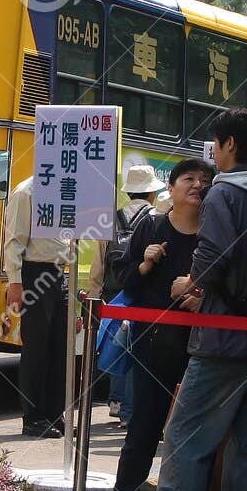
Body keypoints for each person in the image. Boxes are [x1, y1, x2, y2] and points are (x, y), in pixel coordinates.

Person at [134, 109, 247, 491]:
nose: (214, 154)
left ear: (228, 146)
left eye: (216, 145)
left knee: (186, 434)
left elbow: (213, 252)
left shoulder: (224, 192)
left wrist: (190, 284)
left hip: (222, 334)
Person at [95, 158, 213, 491]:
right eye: (188, 179)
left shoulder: (215, 233)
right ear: (172, 188)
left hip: (202, 350)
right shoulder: (152, 225)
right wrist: (146, 264)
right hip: (153, 344)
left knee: (191, 437)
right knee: (143, 428)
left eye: (204, 180)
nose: (197, 185)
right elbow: (123, 282)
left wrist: (204, 298)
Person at [93, 163, 167, 425]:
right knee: (137, 349)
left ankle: (115, 401)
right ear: (151, 194)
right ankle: (130, 412)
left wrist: (95, 294)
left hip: (114, 293)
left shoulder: (112, 218)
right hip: (141, 291)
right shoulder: (156, 218)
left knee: (118, 342)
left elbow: (99, 263)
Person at [3, 174, 74, 436]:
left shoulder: (68, 187)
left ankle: (55, 414)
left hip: (60, 272)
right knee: (36, 348)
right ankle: (32, 417)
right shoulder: (26, 192)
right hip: (34, 273)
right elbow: (14, 242)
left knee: (60, 347)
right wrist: (15, 283)